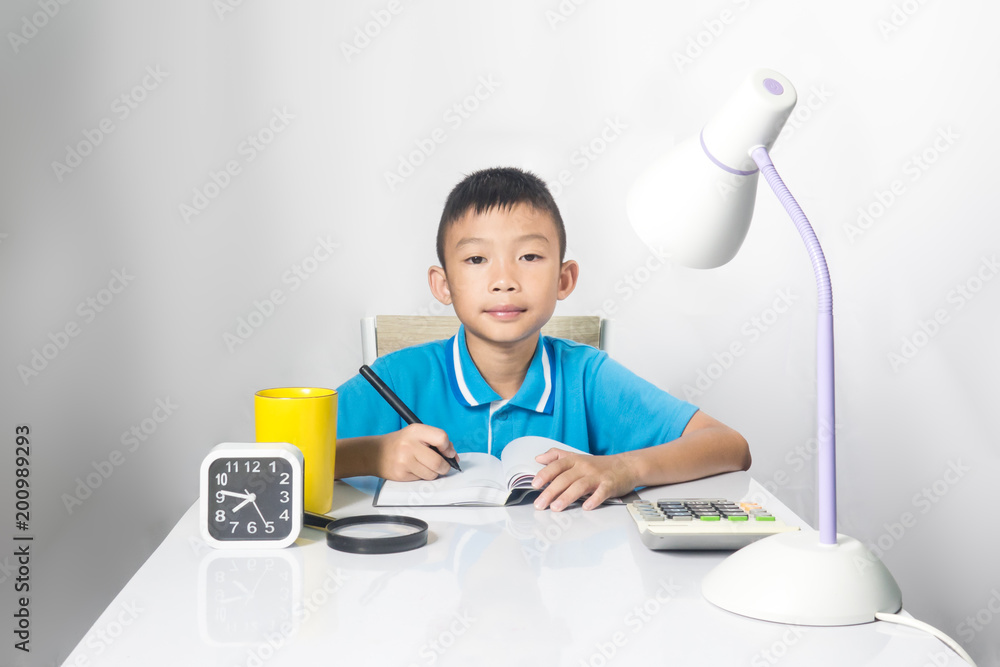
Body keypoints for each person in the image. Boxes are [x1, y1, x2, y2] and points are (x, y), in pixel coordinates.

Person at [334, 167, 750, 510]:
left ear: (564, 279)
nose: (504, 281)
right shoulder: (396, 377)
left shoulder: (588, 377)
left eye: (529, 257)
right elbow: (275, 457)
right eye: (477, 259)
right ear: (443, 285)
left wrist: (624, 469)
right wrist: (371, 455)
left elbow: (729, 446)